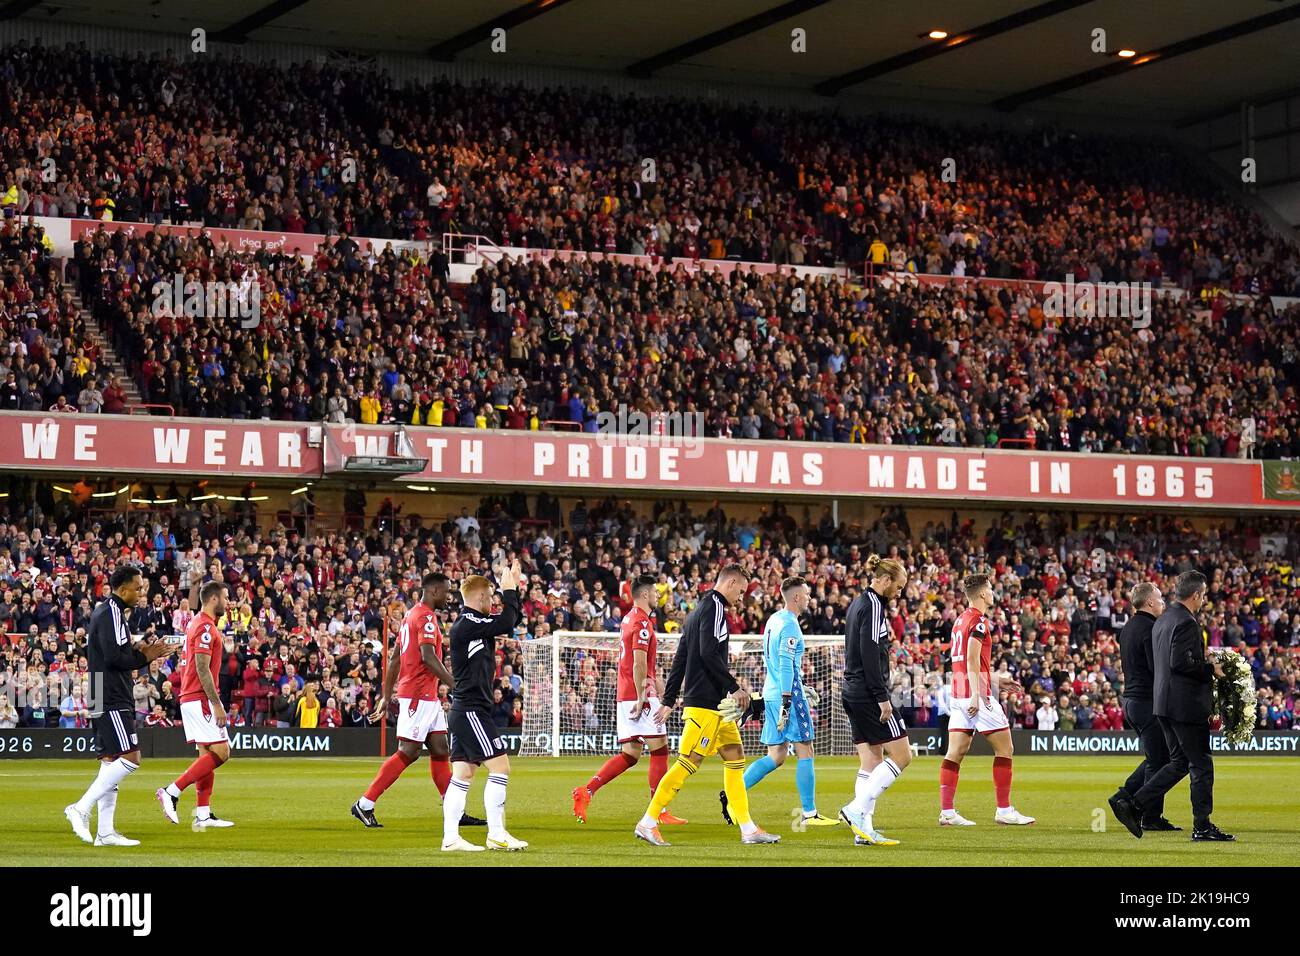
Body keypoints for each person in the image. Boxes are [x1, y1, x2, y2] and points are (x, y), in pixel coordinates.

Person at [634, 565, 779, 847]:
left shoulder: (698, 611)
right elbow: (706, 653)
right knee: (688, 762)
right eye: (741, 590)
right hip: (705, 704)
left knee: (736, 758)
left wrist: (669, 698)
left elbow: (681, 657)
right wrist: (734, 686)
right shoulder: (713, 608)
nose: (741, 596)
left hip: (715, 704)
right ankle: (648, 822)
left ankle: (748, 828)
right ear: (731, 582)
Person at [352, 572, 485, 829]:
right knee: (409, 751)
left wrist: (386, 694)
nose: (449, 597)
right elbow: (427, 657)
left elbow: (394, 659)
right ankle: (365, 803)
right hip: (418, 695)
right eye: (446, 592)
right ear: (434, 591)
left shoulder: (409, 617)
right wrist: (455, 684)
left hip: (427, 695)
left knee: (440, 748)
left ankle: (453, 810)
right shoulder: (424, 617)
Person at [1111, 571, 1234, 842]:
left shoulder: (1164, 620)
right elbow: (1180, 663)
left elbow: (1168, 661)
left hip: (1162, 703)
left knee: (1177, 762)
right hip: (1184, 705)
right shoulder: (1187, 622)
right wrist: (1210, 669)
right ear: (1197, 594)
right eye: (1203, 595)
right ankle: (1202, 827)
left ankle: (1133, 803)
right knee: (1201, 764)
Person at [65, 564, 172, 847]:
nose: (141, 593)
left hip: (101, 691)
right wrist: (145, 657)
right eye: (137, 588)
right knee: (130, 758)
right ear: (122, 589)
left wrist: (140, 651)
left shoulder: (107, 612)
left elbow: (115, 653)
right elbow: (115, 660)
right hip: (111, 693)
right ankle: (80, 807)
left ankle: (106, 832)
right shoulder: (111, 612)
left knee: (111, 761)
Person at [571, 574, 685, 826]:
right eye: (655, 592)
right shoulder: (642, 623)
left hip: (626, 693)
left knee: (631, 754)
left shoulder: (628, 619)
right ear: (645, 594)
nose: (658, 596)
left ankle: (586, 791)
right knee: (660, 750)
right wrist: (644, 695)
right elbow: (639, 661)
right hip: (638, 695)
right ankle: (658, 810)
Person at [726, 576, 837, 827]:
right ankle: (809, 814)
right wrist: (789, 698)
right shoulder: (790, 625)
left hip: (772, 691)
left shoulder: (774, 620)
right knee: (805, 749)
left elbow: (777, 661)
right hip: (786, 694)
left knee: (776, 755)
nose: (809, 598)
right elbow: (786, 664)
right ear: (796, 597)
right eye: (807, 594)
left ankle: (733, 796)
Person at [938, 574, 1035, 827]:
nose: (993, 592)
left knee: (955, 752)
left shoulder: (960, 620)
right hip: (974, 693)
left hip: (958, 690)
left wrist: (995, 680)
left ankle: (947, 812)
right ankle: (1004, 810)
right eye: (990, 588)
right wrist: (978, 693)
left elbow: (964, 662)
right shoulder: (979, 622)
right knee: (1005, 749)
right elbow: (971, 659)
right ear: (982, 594)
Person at [441, 560, 525, 852]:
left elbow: (509, 621)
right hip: (471, 710)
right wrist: (510, 589)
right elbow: (506, 621)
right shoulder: (469, 623)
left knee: (463, 774)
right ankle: (497, 834)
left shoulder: (471, 624)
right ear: (479, 598)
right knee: (500, 767)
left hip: (464, 710)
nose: (493, 601)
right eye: (490, 597)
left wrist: (514, 591)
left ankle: (451, 838)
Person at [839, 555, 911, 846]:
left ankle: (864, 831)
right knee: (903, 756)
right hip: (869, 693)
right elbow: (869, 653)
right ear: (884, 580)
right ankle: (855, 810)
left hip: (853, 690)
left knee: (870, 761)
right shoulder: (872, 605)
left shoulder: (859, 603)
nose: (900, 592)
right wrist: (882, 697)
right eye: (899, 585)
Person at [156, 580, 235, 831]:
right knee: (222, 752)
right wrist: (216, 703)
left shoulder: (197, 623)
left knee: (206, 754)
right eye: (226, 597)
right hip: (200, 697)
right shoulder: (204, 627)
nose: (228, 601)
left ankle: (202, 813)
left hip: (191, 697)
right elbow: (201, 667)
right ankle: (172, 791)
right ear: (213, 599)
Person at [1108, 583, 1179, 832]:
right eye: (1159, 599)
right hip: (1147, 701)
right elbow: (1156, 669)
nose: (1163, 603)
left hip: (1131, 701)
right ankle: (1143, 811)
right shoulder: (1151, 629)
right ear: (1149, 602)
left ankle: (1129, 800)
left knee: (1157, 758)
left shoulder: (1128, 627)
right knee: (1161, 760)